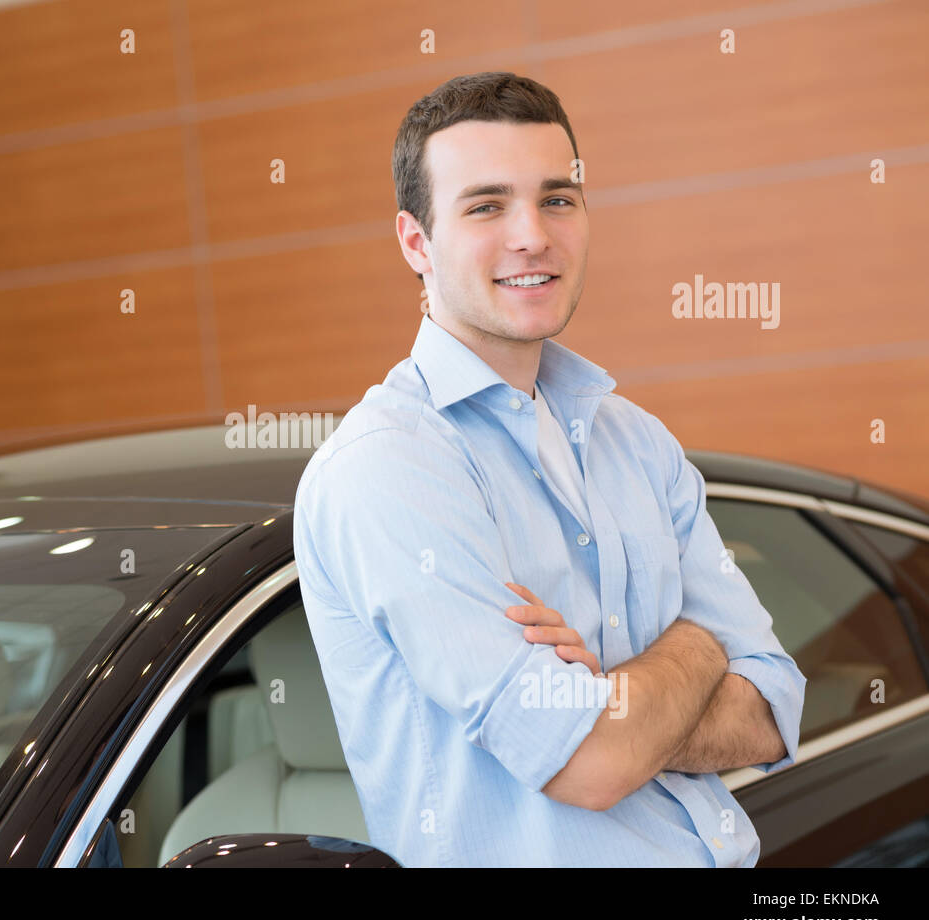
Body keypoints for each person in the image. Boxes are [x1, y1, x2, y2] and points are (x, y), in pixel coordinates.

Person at [292, 71, 805, 867]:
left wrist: (615, 694)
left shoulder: (635, 439)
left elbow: (771, 707)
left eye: (558, 198)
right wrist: (700, 650)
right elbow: (590, 761)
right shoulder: (388, 469)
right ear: (416, 242)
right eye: (486, 205)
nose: (532, 235)